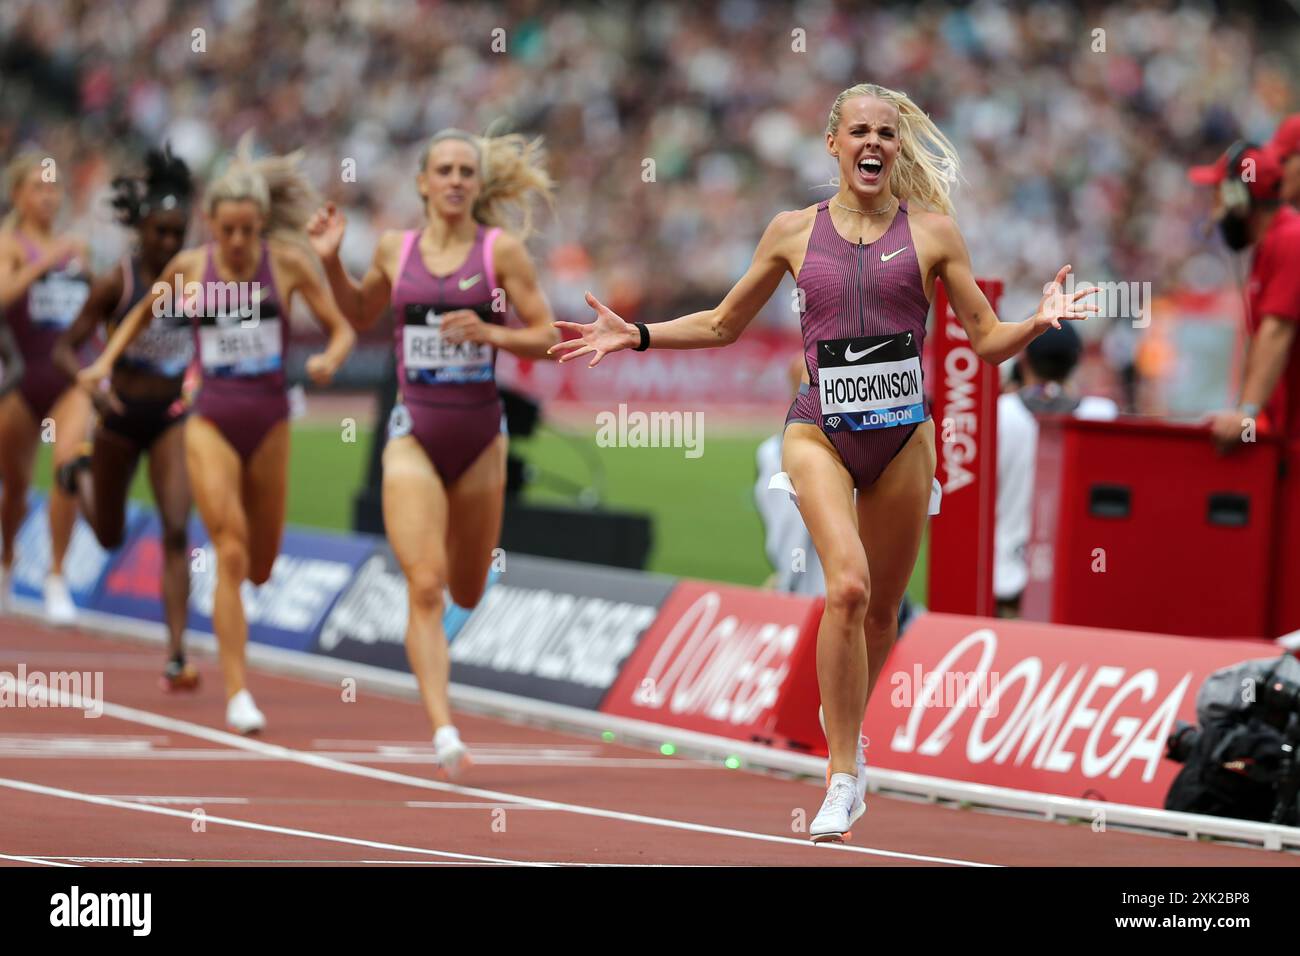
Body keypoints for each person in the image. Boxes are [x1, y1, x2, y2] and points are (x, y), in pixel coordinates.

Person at [551, 82, 1096, 842]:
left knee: (879, 615)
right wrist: (635, 334)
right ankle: (842, 771)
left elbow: (985, 338)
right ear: (834, 145)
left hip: (905, 436)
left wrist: (1037, 322)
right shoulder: (792, 231)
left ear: (897, 147)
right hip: (817, 430)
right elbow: (720, 323)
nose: (873, 144)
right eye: (859, 132)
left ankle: (847, 724)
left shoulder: (935, 234)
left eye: (886, 133)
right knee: (845, 585)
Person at [80, 138, 356, 733]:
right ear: (211, 224)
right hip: (210, 418)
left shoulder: (285, 264)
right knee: (228, 548)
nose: (235, 243)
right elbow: (138, 316)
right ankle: (238, 693)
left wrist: (331, 358)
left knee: (260, 563)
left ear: (260, 225)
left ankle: (241, 640)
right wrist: (104, 364)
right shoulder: (190, 269)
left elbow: (341, 329)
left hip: (271, 420)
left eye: (246, 231)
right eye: (227, 230)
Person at [307, 129, 558, 777]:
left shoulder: (500, 252)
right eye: (442, 170)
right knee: (424, 583)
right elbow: (362, 314)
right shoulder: (397, 247)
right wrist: (333, 263)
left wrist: (490, 331)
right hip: (413, 431)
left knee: (467, 590)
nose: (453, 180)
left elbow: (546, 335)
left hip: (480, 438)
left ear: (478, 185)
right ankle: (444, 728)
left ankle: (450, 674)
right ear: (422, 182)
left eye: (464, 172)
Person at [53, 146, 199, 690]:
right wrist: (91, 392)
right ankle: (77, 474)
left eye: (177, 233)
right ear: (141, 230)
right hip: (117, 415)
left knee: (178, 529)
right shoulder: (116, 282)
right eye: (159, 232)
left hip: (169, 417)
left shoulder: (197, 279)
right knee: (111, 536)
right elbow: (66, 349)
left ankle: (178, 655)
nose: (167, 243)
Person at [0, 151, 93, 622]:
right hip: (18, 382)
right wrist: (43, 263)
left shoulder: (76, 246)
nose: (48, 196)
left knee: (67, 463)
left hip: (67, 379)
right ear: (18, 193)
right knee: (14, 488)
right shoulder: (9, 244)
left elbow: (91, 311)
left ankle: (56, 577)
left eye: (54, 187)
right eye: (38, 186)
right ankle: (8, 560)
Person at [995, 323, 1118, 617]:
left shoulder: (997, 412)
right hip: (1080, 581)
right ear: (1077, 361)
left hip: (1004, 581)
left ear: (1023, 360)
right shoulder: (1104, 416)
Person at [1190, 144, 1300, 448]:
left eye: (1218, 194)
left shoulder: (1291, 239)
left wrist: (1246, 414)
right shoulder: (1272, 245)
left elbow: (1277, 332)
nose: (1214, 209)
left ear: (1239, 198)